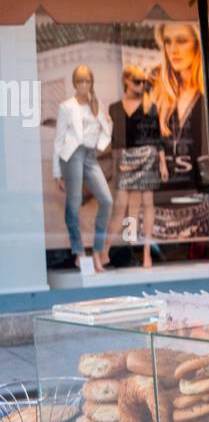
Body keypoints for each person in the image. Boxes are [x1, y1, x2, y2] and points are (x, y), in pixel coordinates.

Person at [148, 22, 209, 194]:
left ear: (198, 44)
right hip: (158, 199)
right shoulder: (156, 87)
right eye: (167, 41)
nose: (173, 49)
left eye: (182, 40)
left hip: (200, 201)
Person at [105, 65, 169, 268]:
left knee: (148, 203)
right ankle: (104, 250)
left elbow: (156, 136)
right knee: (120, 205)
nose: (141, 85)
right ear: (126, 81)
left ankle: (147, 252)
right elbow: (115, 140)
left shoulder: (151, 106)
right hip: (126, 158)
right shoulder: (114, 108)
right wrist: (116, 165)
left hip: (148, 155)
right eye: (137, 81)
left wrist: (163, 162)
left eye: (143, 82)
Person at [52, 64, 113, 272]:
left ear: (91, 83)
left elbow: (107, 128)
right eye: (80, 81)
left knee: (106, 200)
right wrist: (56, 171)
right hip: (72, 155)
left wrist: (101, 143)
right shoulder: (67, 106)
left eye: (87, 81)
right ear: (74, 83)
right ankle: (79, 251)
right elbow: (59, 140)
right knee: (74, 202)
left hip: (90, 155)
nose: (84, 85)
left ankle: (97, 251)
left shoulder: (96, 104)